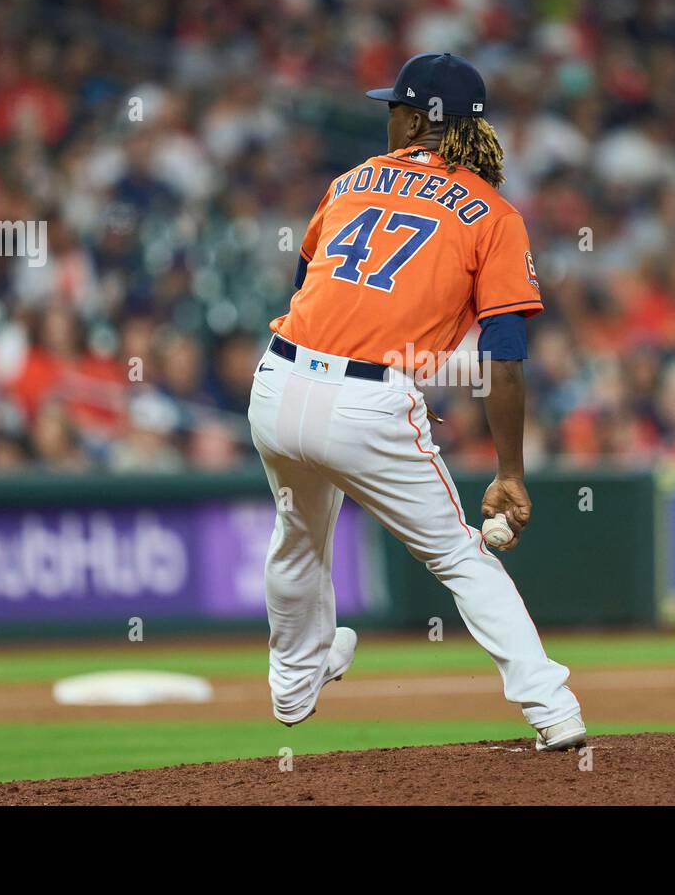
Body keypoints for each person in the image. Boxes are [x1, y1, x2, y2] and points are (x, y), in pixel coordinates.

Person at [247, 53, 585, 750]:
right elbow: (506, 352)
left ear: (418, 118)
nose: (387, 116)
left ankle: (291, 684)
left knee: (298, 535)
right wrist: (511, 471)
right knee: (462, 557)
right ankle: (554, 710)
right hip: (367, 399)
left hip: (277, 381)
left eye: (393, 105)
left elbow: (308, 279)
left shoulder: (349, 181)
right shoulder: (492, 212)